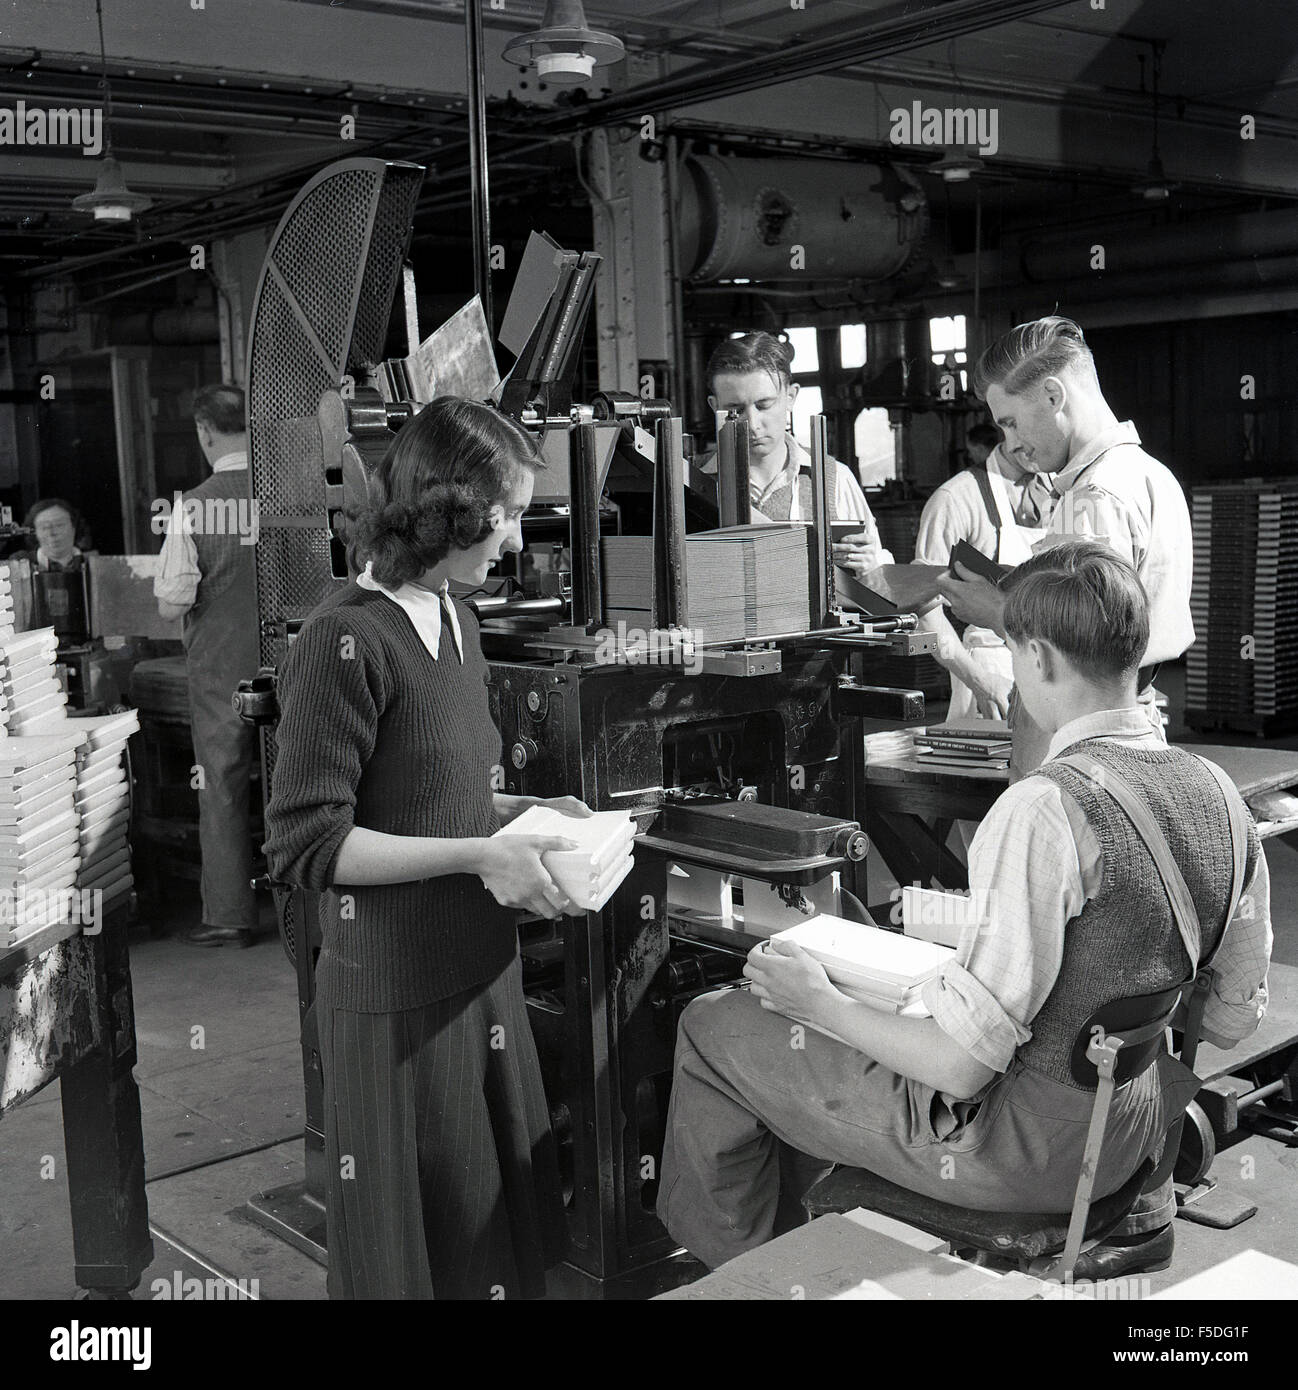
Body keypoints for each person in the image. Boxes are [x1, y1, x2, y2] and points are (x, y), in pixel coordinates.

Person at [657, 542, 1271, 1279]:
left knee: (713, 1027)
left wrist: (816, 1002)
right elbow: (1233, 1019)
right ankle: (814, 1258)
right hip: (1132, 1134)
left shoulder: (1045, 809)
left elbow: (959, 1069)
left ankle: (749, 1282)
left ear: (1038, 658)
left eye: (1014, 657)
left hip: (1019, 1154)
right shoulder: (1214, 789)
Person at [263, 397, 588, 1300]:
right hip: (396, 994)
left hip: (480, 969)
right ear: (446, 511)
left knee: (485, 1239)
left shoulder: (455, 619)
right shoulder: (345, 638)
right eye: (507, 514)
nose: (517, 539)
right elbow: (310, 844)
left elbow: (440, 798)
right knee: (411, 1263)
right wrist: (483, 858)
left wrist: (525, 812)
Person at [936, 315, 1194, 778]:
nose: (1012, 445)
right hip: (1127, 724)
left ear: (1054, 396)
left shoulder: (1093, 497)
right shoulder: (1150, 473)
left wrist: (993, 610)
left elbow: (1077, 651)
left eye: (1012, 423)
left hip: (1079, 740)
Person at [154, 384, 261, 946]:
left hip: (223, 669)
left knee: (221, 783)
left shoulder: (193, 504)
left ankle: (229, 915)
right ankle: (325, 906)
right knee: (307, 773)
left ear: (204, 431)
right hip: (295, 660)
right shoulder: (286, 493)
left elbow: (174, 597)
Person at [701, 332, 893, 576]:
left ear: (791, 397)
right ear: (714, 406)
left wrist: (869, 568)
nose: (752, 423)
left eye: (764, 405)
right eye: (735, 409)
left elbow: (879, 576)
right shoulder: (690, 482)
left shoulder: (835, 479)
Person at [914, 424, 1054, 720]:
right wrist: (978, 680)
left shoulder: (1065, 491)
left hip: (1057, 669)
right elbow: (924, 610)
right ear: (1005, 424)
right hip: (994, 673)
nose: (1033, 444)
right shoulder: (956, 498)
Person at [13, 498, 92, 572]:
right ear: (35, 533)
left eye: (59, 525)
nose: (51, 533)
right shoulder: (19, 563)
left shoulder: (92, 562)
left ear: (74, 528)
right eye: (44, 527)